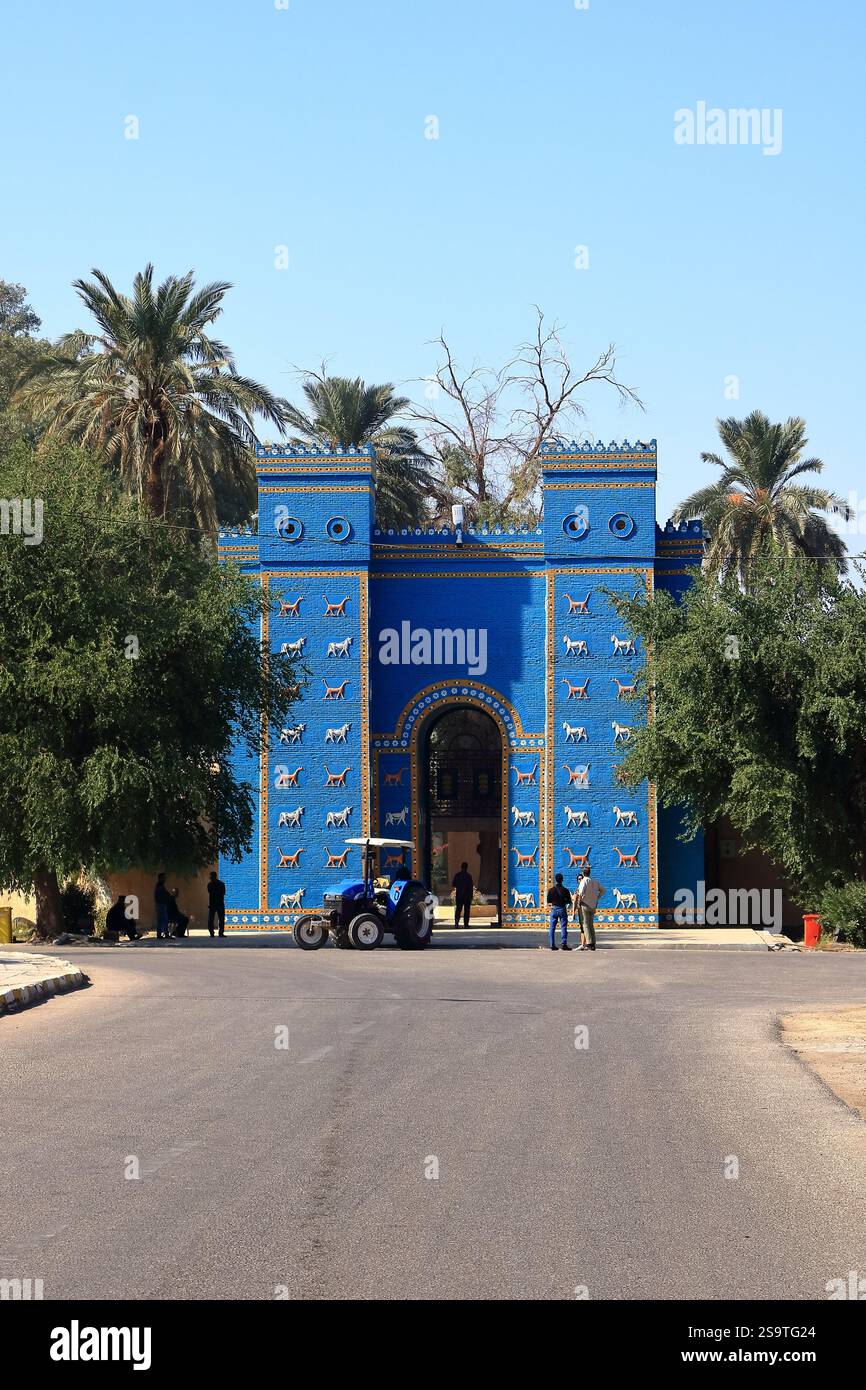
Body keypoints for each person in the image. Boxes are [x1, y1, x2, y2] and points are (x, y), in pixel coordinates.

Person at [575, 866, 605, 951]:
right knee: (591, 924)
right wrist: (596, 897)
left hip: (585, 904)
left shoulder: (584, 881)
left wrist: (578, 903)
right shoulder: (595, 881)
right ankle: (593, 942)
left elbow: (580, 893)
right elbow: (603, 890)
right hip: (593, 905)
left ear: (583, 873)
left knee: (585, 924)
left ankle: (589, 943)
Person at [546, 872, 572, 951]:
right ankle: (564, 944)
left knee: (552, 928)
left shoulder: (551, 890)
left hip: (554, 909)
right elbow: (569, 901)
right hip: (562, 909)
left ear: (555, 880)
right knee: (563, 927)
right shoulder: (565, 890)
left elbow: (548, 901)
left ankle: (552, 944)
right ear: (562, 880)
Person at [451, 861, 474, 928]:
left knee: (458, 909)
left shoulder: (457, 875)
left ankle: (456, 923)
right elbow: (471, 886)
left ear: (461, 867)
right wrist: (471, 895)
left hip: (459, 895)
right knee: (467, 910)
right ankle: (466, 924)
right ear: (467, 868)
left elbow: (453, 884)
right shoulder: (468, 876)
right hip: (467, 896)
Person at [207, 871, 226, 938]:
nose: (210, 878)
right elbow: (223, 893)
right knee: (220, 919)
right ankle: (219, 933)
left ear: (213, 876)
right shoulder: (221, 884)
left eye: (211, 876)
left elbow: (211, 893)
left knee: (213, 919)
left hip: (214, 904)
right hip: (219, 903)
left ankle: (212, 933)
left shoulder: (210, 885)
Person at [154, 873, 171, 939]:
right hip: (161, 905)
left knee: (160, 920)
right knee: (164, 920)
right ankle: (166, 934)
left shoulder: (159, 885)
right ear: (161, 878)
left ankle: (159, 935)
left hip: (159, 904)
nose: (165, 879)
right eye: (164, 878)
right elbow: (163, 895)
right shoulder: (160, 886)